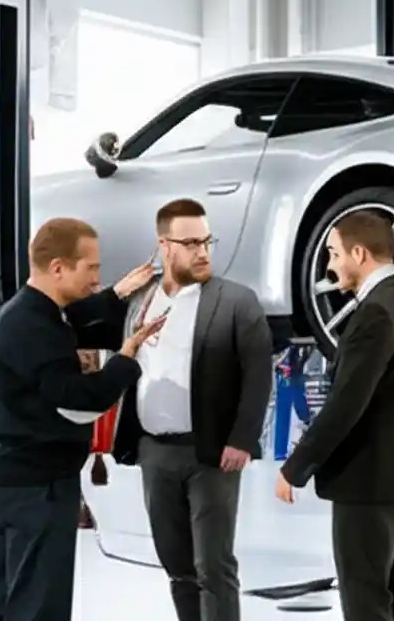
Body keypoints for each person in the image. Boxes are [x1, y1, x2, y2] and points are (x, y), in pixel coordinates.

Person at [0, 216, 163, 621]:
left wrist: (5, 413)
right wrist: (126, 359)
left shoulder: (17, 313)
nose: (97, 279)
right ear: (58, 268)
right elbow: (82, 401)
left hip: (6, 478)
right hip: (39, 489)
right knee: (38, 608)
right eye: (91, 269)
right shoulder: (35, 326)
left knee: (6, 600)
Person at [110, 198, 274, 621]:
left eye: (207, 241)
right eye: (191, 243)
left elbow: (258, 376)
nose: (203, 252)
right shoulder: (139, 302)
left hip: (213, 454)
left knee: (214, 567)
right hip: (154, 452)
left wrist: (242, 439)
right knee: (177, 567)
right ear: (165, 247)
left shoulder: (238, 302)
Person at [276, 210, 394, 621]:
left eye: (333, 253)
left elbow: (347, 403)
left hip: (366, 484)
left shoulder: (376, 313)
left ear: (359, 253)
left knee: (366, 602)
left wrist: (296, 466)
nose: (330, 266)